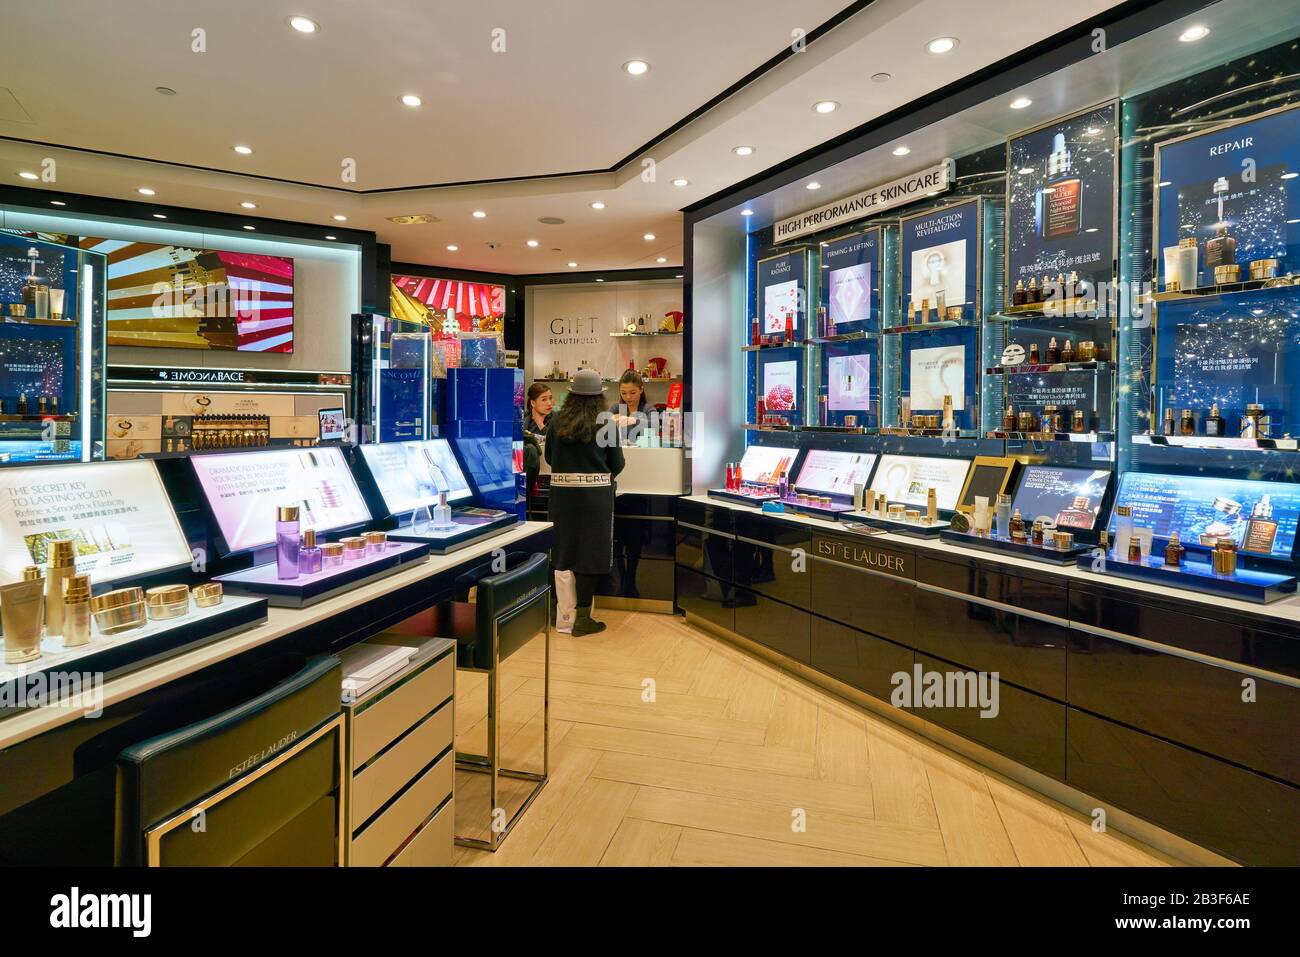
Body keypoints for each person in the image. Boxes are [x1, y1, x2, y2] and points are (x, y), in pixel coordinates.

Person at [545, 368, 624, 636]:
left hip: (562, 497)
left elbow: (550, 458)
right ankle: (582, 618)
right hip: (596, 499)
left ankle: (563, 616)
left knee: (563, 552)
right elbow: (618, 463)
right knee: (591, 554)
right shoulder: (606, 422)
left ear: (571, 395)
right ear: (598, 396)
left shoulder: (556, 420)